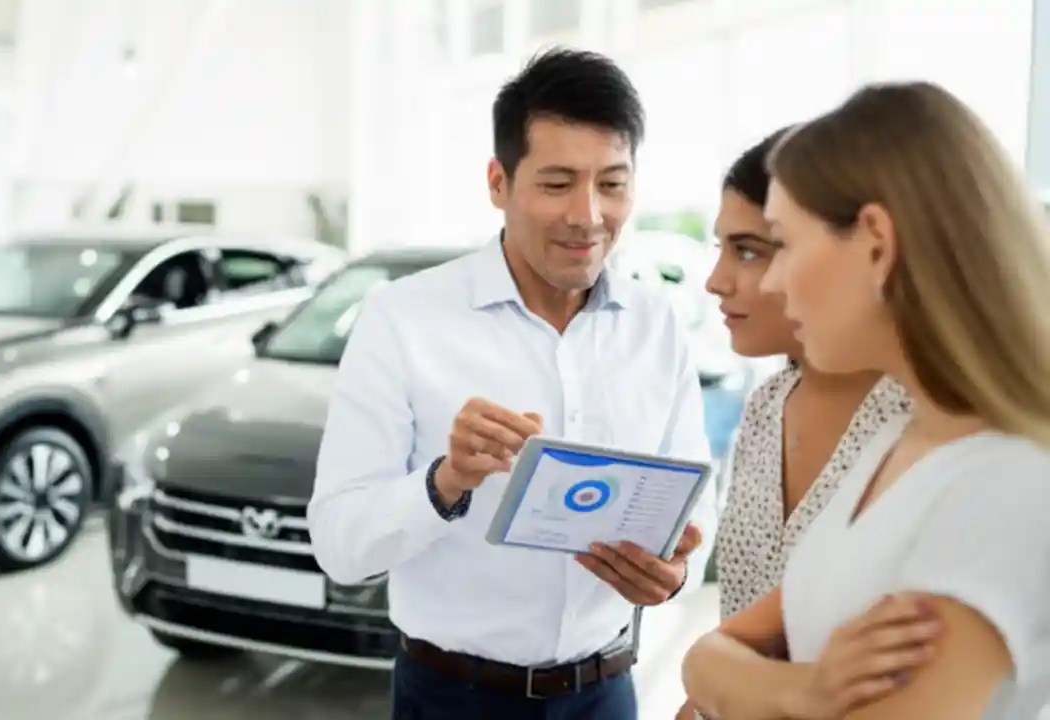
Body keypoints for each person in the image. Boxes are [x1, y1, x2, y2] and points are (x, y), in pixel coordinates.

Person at [307, 48, 717, 720]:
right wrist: (445, 481)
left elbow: (692, 500)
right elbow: (341, 546)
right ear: (498, 182)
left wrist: (674, 575)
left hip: (607, 691)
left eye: (612, 184)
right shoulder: (404, 320)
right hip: (452, 698)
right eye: (557, 184)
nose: (588, 216)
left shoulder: (657, 324)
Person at [681, 81, 1050, 719]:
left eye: (783, 243)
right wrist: (805, 693)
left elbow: (722, 666)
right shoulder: (899, 444)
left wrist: (747, 690)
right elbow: (704, 657)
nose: (772, 279)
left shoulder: (1005, 482)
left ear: (876, 243)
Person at [675, 128, 914, 720]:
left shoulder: (926, 428)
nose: (716, 280)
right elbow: (735, 631)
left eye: (752, 249)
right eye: (720, 248)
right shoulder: (765, 406)